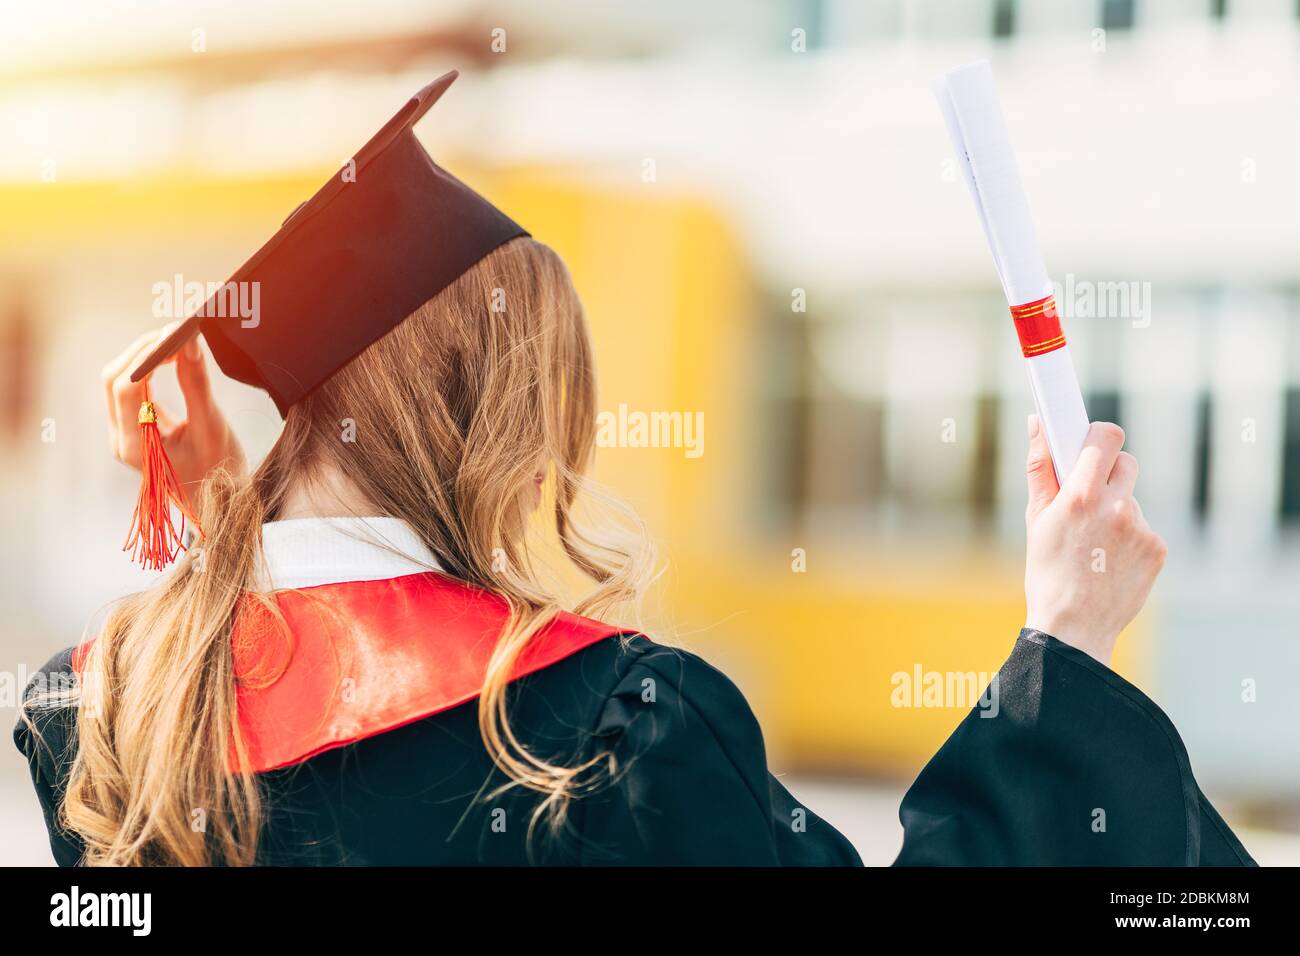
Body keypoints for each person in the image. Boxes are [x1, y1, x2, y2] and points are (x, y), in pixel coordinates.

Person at [14, 74, 1253, 867]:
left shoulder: (99, 716)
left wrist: (224, 526)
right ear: (498, 410)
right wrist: (1066, 648)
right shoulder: (614, 733)